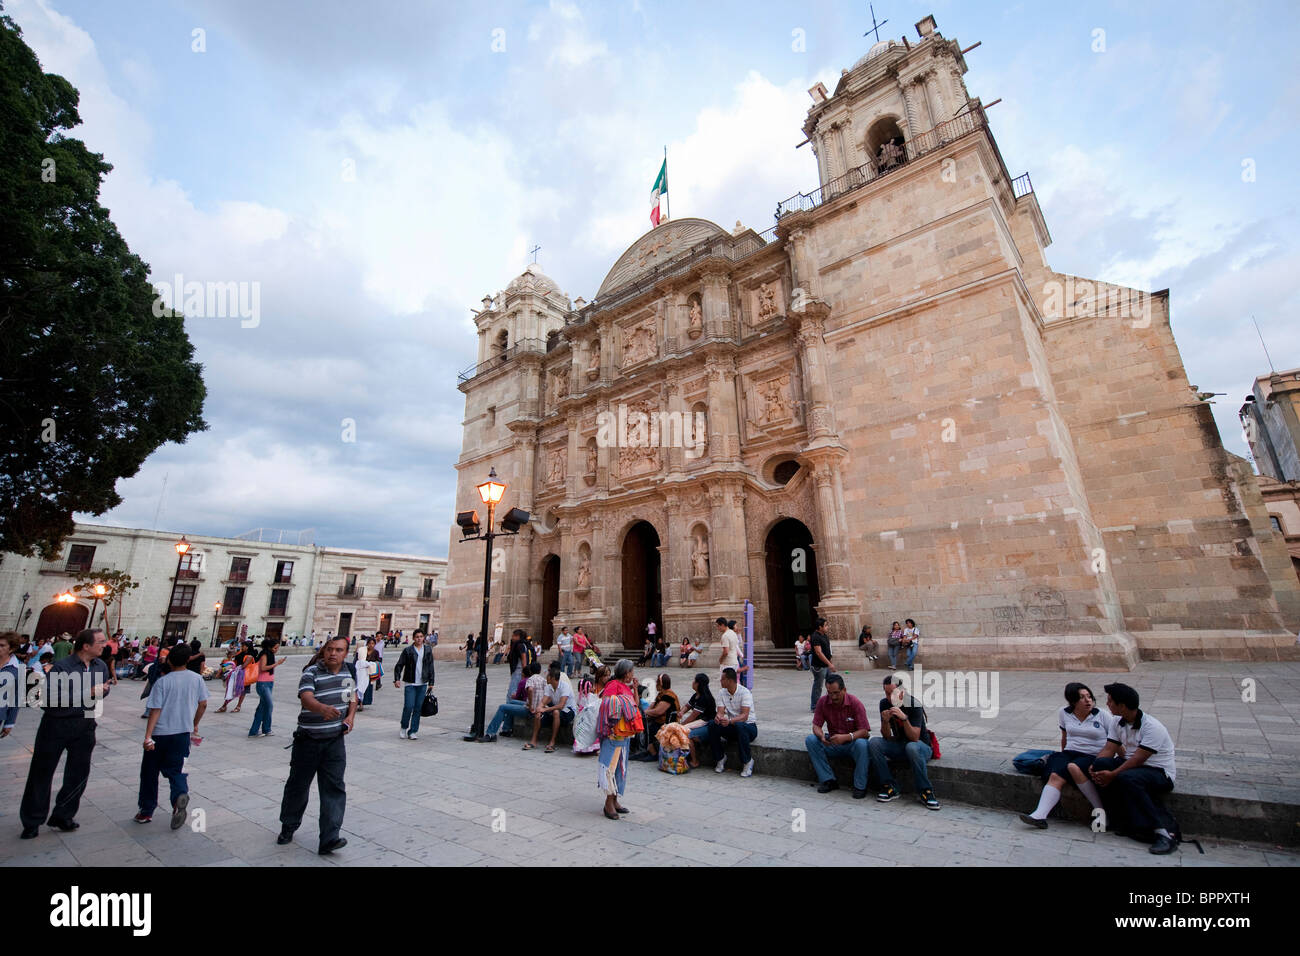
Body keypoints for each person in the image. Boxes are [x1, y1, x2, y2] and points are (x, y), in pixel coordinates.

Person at [18, 628, 111, 839]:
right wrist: (88, 692)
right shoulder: (62, 667)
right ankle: (32, 821)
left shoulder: (100, 666)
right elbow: (49, 700)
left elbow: (101, 691)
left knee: (78, 774)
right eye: (100, 642)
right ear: (86, 646)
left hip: (85, 723)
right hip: (56, 724)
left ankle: (63, 815)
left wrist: (101, 691)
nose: (104, 645)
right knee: (42, 772)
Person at [276, 635, 356, 855]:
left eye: (339, 650)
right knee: (298, 786)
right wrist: (321, 709)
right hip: (308, 739)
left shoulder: (348, 672)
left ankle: (329, 838)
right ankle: (288, 825)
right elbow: (306, 698)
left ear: (345, 653)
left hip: (334, 741)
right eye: (330, 649)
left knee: (334, 788)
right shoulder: (311, 672)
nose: (333, 653)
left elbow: (352, 697)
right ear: (323, 651)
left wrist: (350, 717)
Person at [1089, 682, 1181, 854]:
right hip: (1133, 767)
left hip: (1158, 772)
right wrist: (1094, 766)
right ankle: (1121, 821)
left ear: (1122, 706)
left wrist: (1113, 774)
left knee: (1126, 777)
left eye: (1110, 701)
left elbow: (1139, 759)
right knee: (1102, 766)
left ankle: (1162, 832)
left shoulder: (1153, 727)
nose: (1107, 704)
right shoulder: (1117, 721)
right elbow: (1110, 749)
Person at [1018, 682, 1113, 829]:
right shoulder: (1064, 713)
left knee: (1073, 767)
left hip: (1093, 755)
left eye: (1089, 696)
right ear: (1073, 701)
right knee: (1056, 775)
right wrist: (1063, 755)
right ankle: (1040, 815)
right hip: (1070, 752)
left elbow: (1115, 741)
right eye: (1082, 697)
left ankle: (1101, 813)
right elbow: (1065, 737)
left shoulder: (1102, 715)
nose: (1087, 700)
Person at [136, 643, 208, 827]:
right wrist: (194, 725)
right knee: (178, 770)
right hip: (183, 733)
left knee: (149, 772)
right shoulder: (196, 679)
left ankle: (146, 811)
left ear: (169, 660)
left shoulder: (162, 682)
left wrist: (148, 736)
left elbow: (155, 710)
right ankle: (178, 796)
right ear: (187, 660)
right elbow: (203, 704)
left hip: (160, 733)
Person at [870, 674, 939, 810]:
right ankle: (890, 785)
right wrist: (885, 721)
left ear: (902, 692)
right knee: (874, 743)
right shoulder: (884, 704)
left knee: (912, 747)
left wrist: (904, 719)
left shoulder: (914, 704)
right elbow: (887, 737)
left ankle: (926, 791)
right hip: (900, 745)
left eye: (893, 694)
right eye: (887, 693)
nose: (890, 698)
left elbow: (915, 737)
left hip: (921, 747)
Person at [806, 673, 872, 797]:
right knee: (811, 740)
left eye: (836, 693)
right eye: (830, 693)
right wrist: (821, 736)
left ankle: (860, 785)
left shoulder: (855, 703)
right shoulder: (823, 701)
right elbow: (816, 725)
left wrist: (847, 737)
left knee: (862, 744)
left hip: (852, 743)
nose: (833, 697)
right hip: (833, 742)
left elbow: (865, 731)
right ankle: (828, 779)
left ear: (844, 690)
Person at [596, 660, 641, 820]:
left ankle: (615, 799)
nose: (632, 674)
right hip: (614, 733)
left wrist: (634, 689)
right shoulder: (613, 684)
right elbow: (607, 703)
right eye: (631, 672)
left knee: (621, 767)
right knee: (611, 766)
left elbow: (635, 704)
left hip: (625, 733)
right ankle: (608, 802)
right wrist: (623, 703)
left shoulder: (625, 687)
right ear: (625, 672)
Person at [709, 667, 757, 777]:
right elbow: (720, 711)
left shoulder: (745, 692)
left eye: (722, 679)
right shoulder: (722, 692)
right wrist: (718, 717)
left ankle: (747, 761)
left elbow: (745, 716)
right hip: (732, 726)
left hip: (748, 727)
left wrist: (730, 721)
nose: (720, 681)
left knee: (740, 725)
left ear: (729, 681)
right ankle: (720, 758)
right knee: (712, 724)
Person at [481, 661, 545, 740]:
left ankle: (491, 733)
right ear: (540, 671)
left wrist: (531, 705)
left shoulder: (530, 679)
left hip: (530, 709)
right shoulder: (543, 680)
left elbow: (530, 690)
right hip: (538, 708)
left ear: (530, 671)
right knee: (511, 702)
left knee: (502, 708)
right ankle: (506, 729)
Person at [393, 630, 436, 740]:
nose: (419, 639)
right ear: (413, 638)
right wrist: (397, 679)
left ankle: (413, 731)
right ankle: (403, 727)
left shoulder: (427, 650)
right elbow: (399, 665)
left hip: (422, 683)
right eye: (417, 637)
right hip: (410, 682)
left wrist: (431, 682)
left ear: (424, 638)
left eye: (421, 636)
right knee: (408, 706)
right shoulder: (408, 650)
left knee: (418, 708)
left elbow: (430, 666)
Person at [525, 662, 576, 753]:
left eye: (547, 676)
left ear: (552, 678)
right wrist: (539, 709)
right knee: (538, 714)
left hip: (568, 712)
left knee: (556, 712)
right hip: (555, 710)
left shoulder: (565, 686)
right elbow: (544, 701)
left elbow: (561, 705)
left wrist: (544, 709)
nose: (546, 677)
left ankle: (552, 742)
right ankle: (533, 740)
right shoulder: (549, 687)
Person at [247, 636, 285, 737]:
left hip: (269, 683)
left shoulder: (270, 654)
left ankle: (256, 730)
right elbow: (263, 668)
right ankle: (265, 729)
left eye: (277, 648)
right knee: (269, 705)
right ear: (270, 647)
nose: (276, 650)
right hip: (263, 684)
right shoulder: (264, 654)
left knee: (262, 707)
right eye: (275, 648)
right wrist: (277, 663)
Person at [677, 672, 715, 767]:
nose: (693, 682)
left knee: (687, 734)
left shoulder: (704, 698)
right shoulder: (696, 695)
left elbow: (693, 716)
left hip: (707, 724)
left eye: (694, 681)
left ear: (698, 684)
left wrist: (680, 725)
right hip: (698, 723)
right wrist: (681, 712)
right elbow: (687, 706)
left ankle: (695, 761)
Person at [1, 632, 26, 737]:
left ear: (11, 649)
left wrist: (10, 722)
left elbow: (16, 697)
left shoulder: (19, 668)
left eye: (2, 645)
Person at [808, 618, 833, 712]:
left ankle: (831, 702)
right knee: (818, 686)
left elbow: (827, 649)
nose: (827, 627)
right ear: (820, 627)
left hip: (826, 665)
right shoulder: (815, 637)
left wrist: (830, 662)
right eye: (826, 625)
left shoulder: (824, 635)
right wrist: (829, 664)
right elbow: (819, 652)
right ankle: (815, 706)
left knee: (831, 683)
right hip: (819, 666)